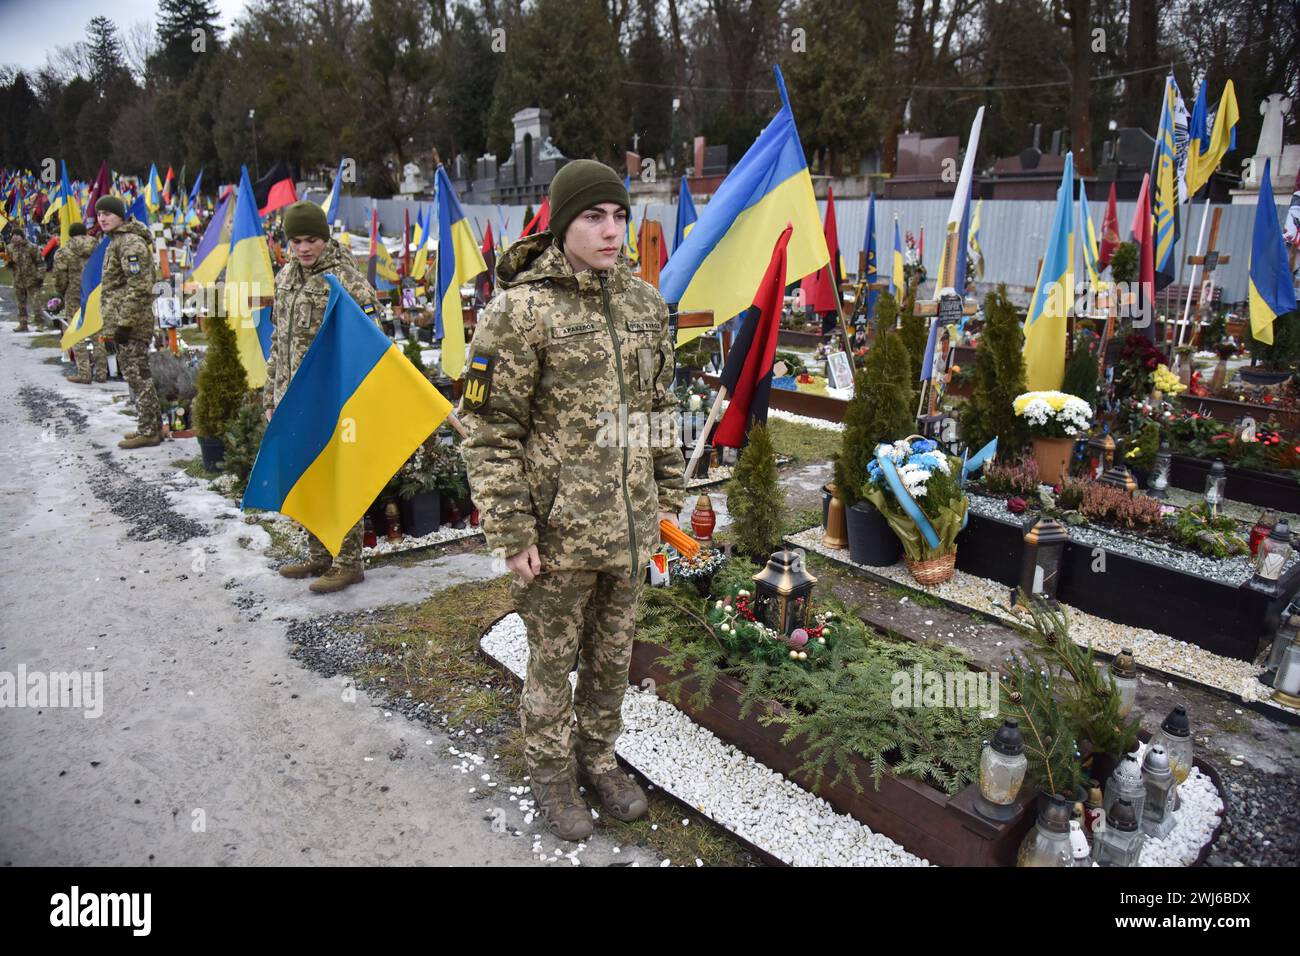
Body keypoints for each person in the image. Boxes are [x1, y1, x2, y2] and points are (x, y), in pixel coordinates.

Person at [460, 160, 686, 842]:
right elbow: (487, 428)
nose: (612, 230)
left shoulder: (646, 305)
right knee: (552, 664)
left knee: (614, 658)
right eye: (594, 217)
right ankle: (552, 773)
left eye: (620, 216)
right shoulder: (519, 311)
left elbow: (660, 410)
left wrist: (667, 500)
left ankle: (599, 756)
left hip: (630, 528)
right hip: (558, 537)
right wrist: (510, 528)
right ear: (562, 224)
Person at [265, 200, 381, 595]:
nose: (303, 248)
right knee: (308, 476)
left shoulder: (344, 279)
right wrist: (272, 394)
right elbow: (278, 342)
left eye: (311, 239)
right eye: (296, 241)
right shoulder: (285, 279)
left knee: (338, 477)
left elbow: (372, 338)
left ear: (324, 238)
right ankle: (319, 552)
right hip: (293, 397)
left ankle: (348, 562)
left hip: (332, 398)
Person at [96, 196, 163, 449]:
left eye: (108, 213)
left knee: (136, 375)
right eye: (99, 214)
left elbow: (139, 287)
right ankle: (151, 427)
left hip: (133, 322)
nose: (102, 218)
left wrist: (124, 324)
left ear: (120, 216)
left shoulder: (130, 243)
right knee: (138, 374)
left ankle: (149, 431)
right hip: (125, 319)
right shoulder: (117, 241)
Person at [47, 223, 107, 383]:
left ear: (70, 234)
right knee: (97, 331)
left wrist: (61, 291)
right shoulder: (98, 248)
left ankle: (84, 373)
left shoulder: (64, 252)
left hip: (74, 295)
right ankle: (102, 372)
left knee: (77, 332)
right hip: (94, 293)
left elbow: (59, 276)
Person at [4, 228, 44, 332]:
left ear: (22, 236)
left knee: (36, 303)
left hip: (32, 280)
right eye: (13, 235)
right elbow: (9, 265)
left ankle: (40, 324)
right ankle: (23, 324)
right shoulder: (9, 248)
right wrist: (8, 263)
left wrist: (40, 277)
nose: (15, 236)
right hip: (18, 280)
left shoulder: (31, 247)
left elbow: (40, 263)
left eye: (18, 234)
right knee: (20, 304)